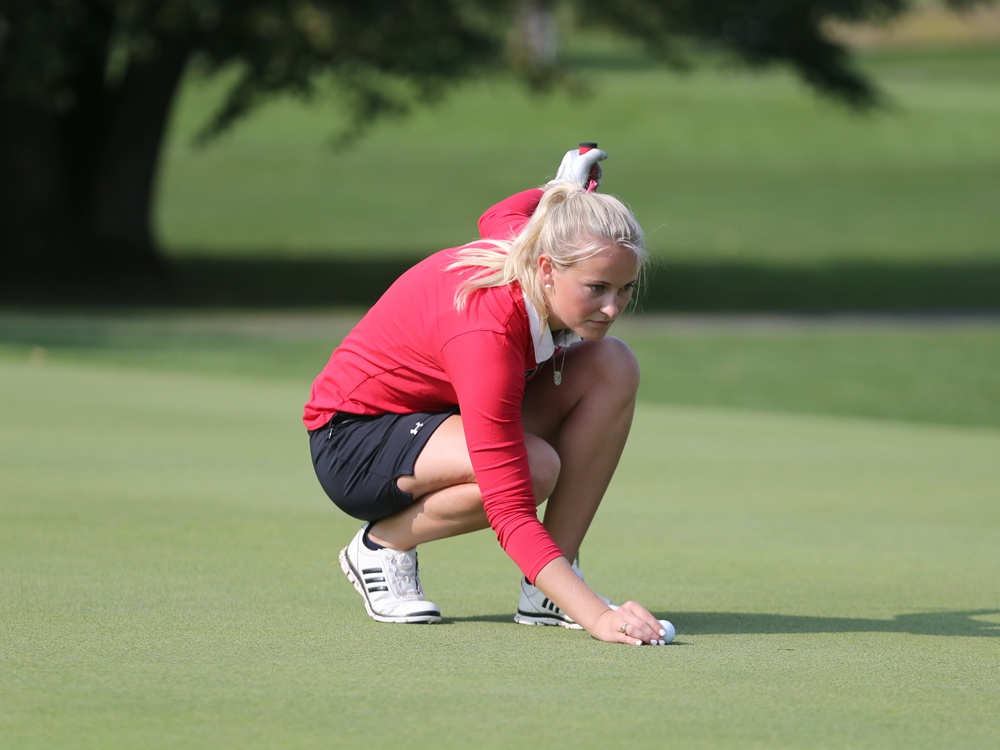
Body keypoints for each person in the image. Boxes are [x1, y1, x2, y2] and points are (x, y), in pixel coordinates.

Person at [304, 147, 668, 646]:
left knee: (612, 363)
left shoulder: (532, 242)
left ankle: (545, 596)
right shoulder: (487, 332)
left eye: (624, 289)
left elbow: (499, 215)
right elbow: (510, 509)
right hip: (354, 440)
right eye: (596, 288)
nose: (611, 307)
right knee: (533, 468)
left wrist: (562, 191)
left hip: (440, 416)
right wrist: (597, 619)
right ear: (546, 270)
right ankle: (381, 544)